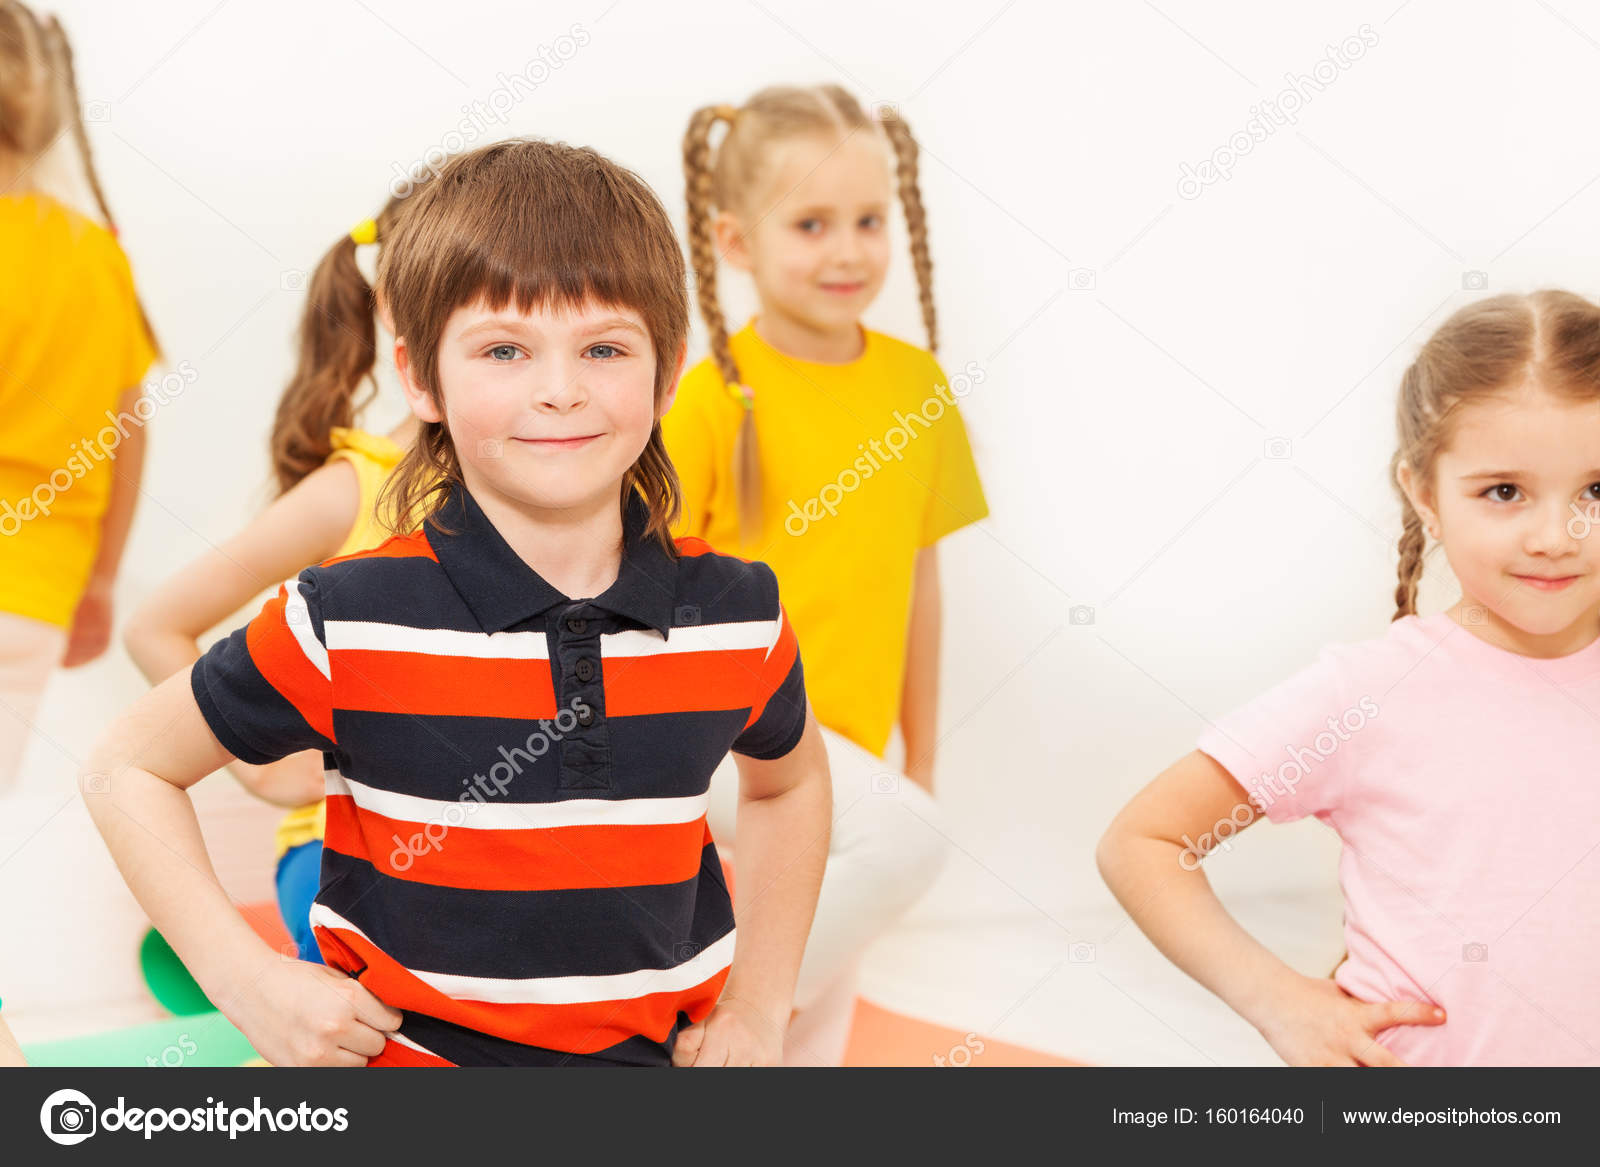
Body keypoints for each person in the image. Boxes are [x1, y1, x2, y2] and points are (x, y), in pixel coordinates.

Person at [83, 138, 832, 1068]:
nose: (560, 390)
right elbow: (125, 768)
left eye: (603, 346)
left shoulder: (741, 612)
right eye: (505, 349)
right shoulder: (345, 615)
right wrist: (250, 986)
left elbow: (790, 783)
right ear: (420, 377)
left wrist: (761, 1008)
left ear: (668, 369)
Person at [1098, 290, 1600, 1066]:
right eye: (1504, 491)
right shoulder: (1369, 694)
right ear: (1425, 494)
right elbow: (1143, 841)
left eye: (1596, 492)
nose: (1554, 536)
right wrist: (1278, 1001)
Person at [668, 84, 989, 1064]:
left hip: (842, 746)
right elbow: (639, 588)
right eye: (811, 224)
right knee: (895, 850)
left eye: (867, 220)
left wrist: (918, 760)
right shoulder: (713, 396)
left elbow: (919, 582)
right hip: (720, 738)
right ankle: (713, 1027)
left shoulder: (917, 390)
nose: (847, 251)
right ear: (734, 241)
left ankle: (749, 1045)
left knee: (829, 989)